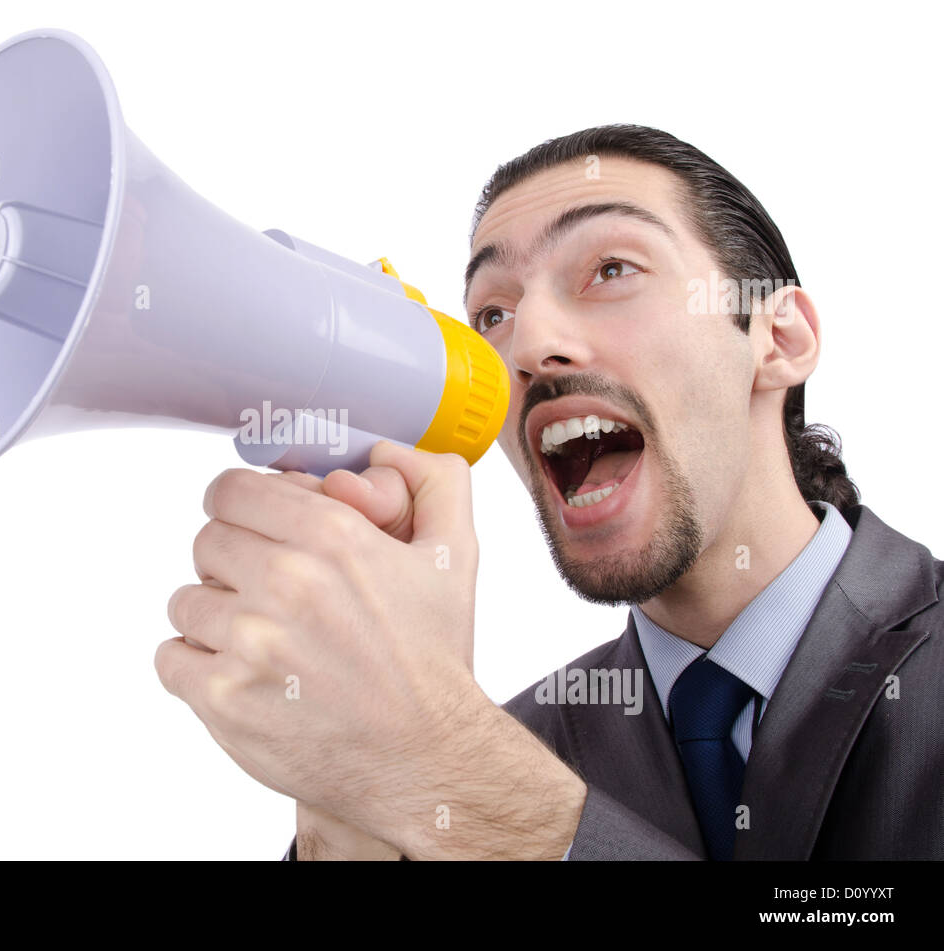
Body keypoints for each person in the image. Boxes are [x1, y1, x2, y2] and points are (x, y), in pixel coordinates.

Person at [155, 125, 944, 860]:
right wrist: (347, 803)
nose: (526, 347)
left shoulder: (470, 771)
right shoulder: (504, 744)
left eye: (611, 270)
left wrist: (460, 782)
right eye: (492, 313)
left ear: (779, 338)